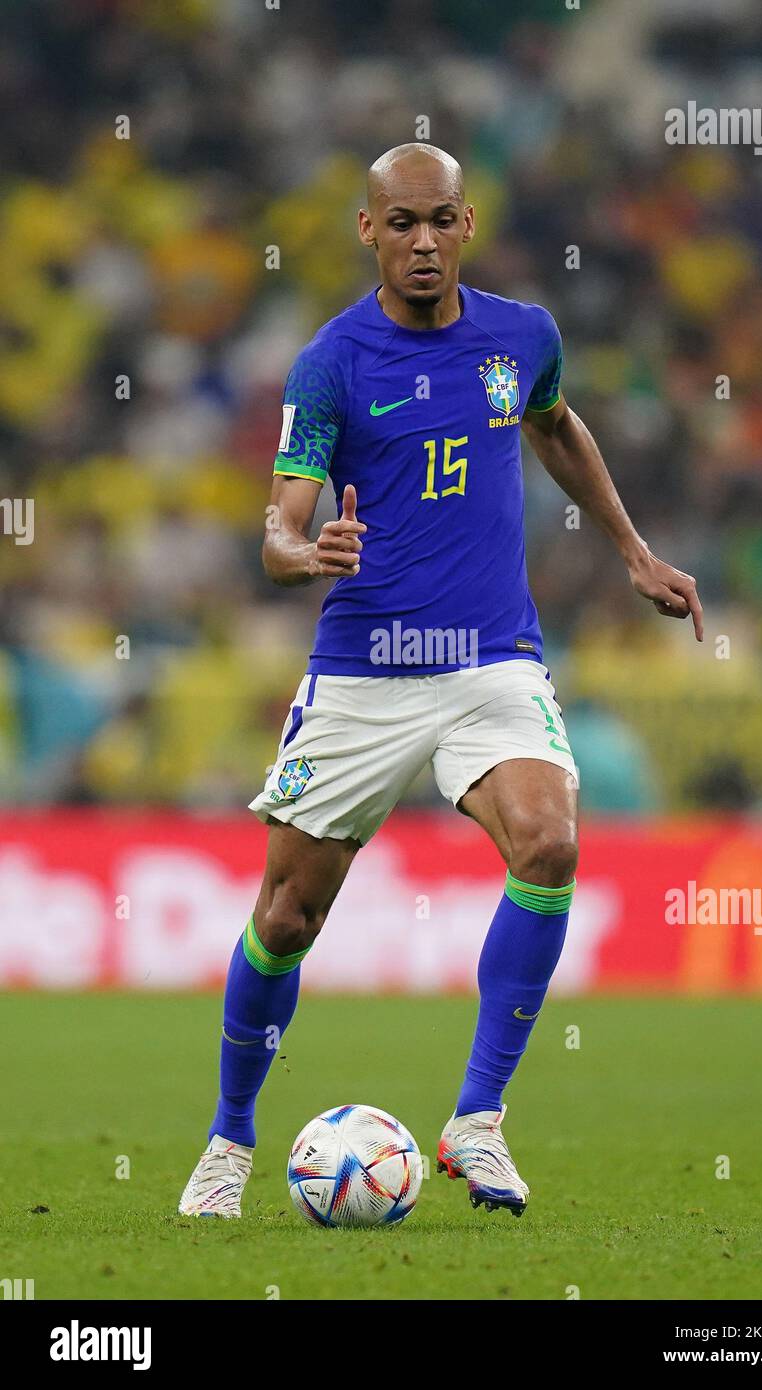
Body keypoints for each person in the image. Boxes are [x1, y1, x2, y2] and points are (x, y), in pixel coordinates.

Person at [179, 144, 702, 1219]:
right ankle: (229, 1138)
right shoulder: (332, 360)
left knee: (550, 839)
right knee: (284, 914)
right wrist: (302, 550)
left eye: (441, 221)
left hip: (490, 660)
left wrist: (631, 550)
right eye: (401, 222)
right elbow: (280, 523)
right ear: (367, 231)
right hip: (364, 669)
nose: (423, 241)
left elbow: (552, 424)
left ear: (467, 224)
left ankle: (475, 1118)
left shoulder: (523, 337)